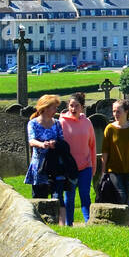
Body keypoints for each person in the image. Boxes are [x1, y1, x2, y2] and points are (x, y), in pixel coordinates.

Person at [25, 95, 67, 222]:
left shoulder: (57, 123)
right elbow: (31, 140)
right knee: (40, 197)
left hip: (55, 164)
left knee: (58, 196)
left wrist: (55, 143)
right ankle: (40, 224)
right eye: (54, 107)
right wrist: (42, 144)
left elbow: (62, 141)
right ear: (45, 108)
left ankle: (63, 227)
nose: (55, 110)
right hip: (39, 166)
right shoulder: (33, 123)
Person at [58, 92, 96, 225]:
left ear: (82, 107)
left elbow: (92, 145)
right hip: (69, 168)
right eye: (71, 106)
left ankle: (89, 223)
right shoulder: (61, 122)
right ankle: (69, 224)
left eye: (76, 106)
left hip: (85, 166)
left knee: (85, 196)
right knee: (69, 197)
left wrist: (93, 167)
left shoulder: (87, 122)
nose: (73, 109)